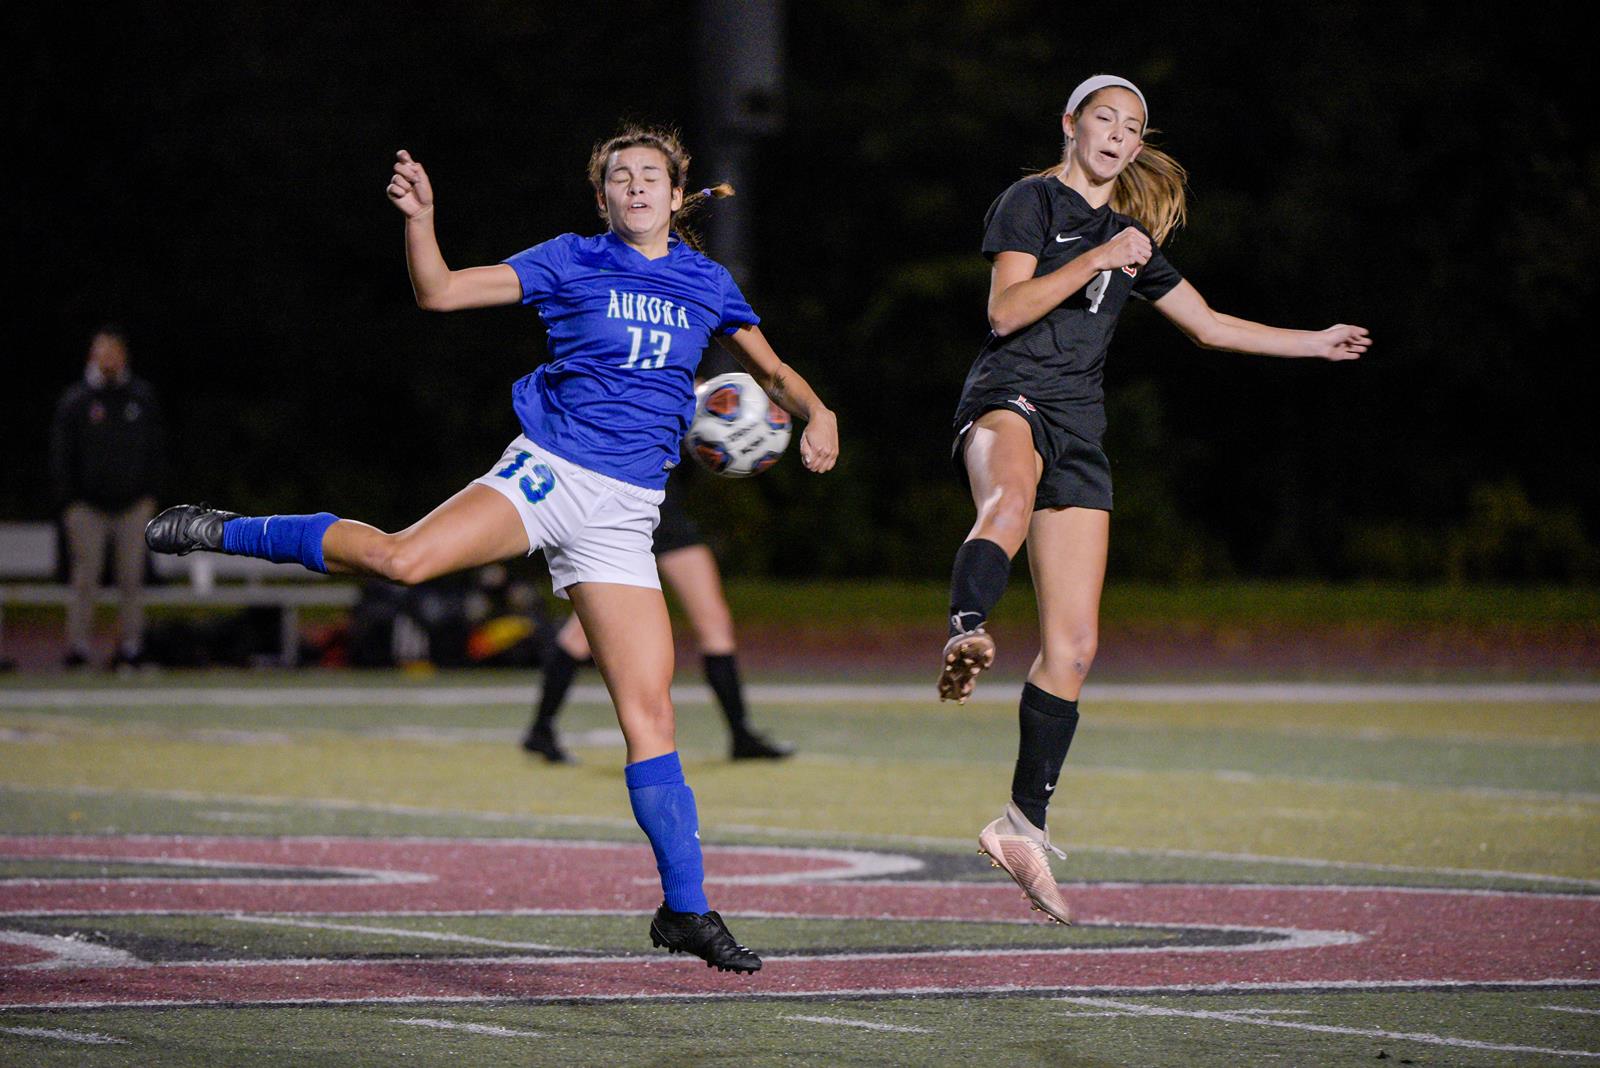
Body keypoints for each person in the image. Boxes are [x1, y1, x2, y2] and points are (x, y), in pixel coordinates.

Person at [145, 127, 839, 973]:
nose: (635, 187)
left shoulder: (706, 282)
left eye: (649, 176)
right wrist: (421, 219)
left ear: (672, 190)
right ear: (603, 199)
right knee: (401, 561)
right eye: (619, 178)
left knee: (650, 714)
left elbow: (774, 373)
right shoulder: (571, 260)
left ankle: (685, 911)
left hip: (626, 514)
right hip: (550, 472)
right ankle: (228, 528)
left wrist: (819, 412)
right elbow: (437, 292)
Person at [939, 75, 1369, 924]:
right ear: (1071, 125)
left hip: (1081, 428)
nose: (1119, 134)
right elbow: (1005, 309)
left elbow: (1209, 326)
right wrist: (1097, 259)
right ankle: (965, 629)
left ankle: (1021, 824)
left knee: (1076, 645)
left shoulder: (1132, 236)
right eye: (1106, 118)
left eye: (1133, 127)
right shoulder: (1031, 201)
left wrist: (1313, 344)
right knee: (1010, 503)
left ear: (1138, 146)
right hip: (1009, 396)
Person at [521, 462, 794, 764]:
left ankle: (741, 734)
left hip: (664, 509)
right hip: (620, 508)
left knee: (714, 621)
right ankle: (541, 729)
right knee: (583, 632)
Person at [49, 326, 166, 669]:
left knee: (132, 577)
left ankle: (131, 648)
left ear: (123, 356)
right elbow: (61, 452)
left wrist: (149, 495)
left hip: (133, 505)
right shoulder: (76, 400)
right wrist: (69, 500)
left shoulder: (140, 397)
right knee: (86, 577)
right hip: (87, 507)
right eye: (103, 352)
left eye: (114, 352)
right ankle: (78, 649)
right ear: (92, 357)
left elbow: (156, 449)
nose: (109, 359)